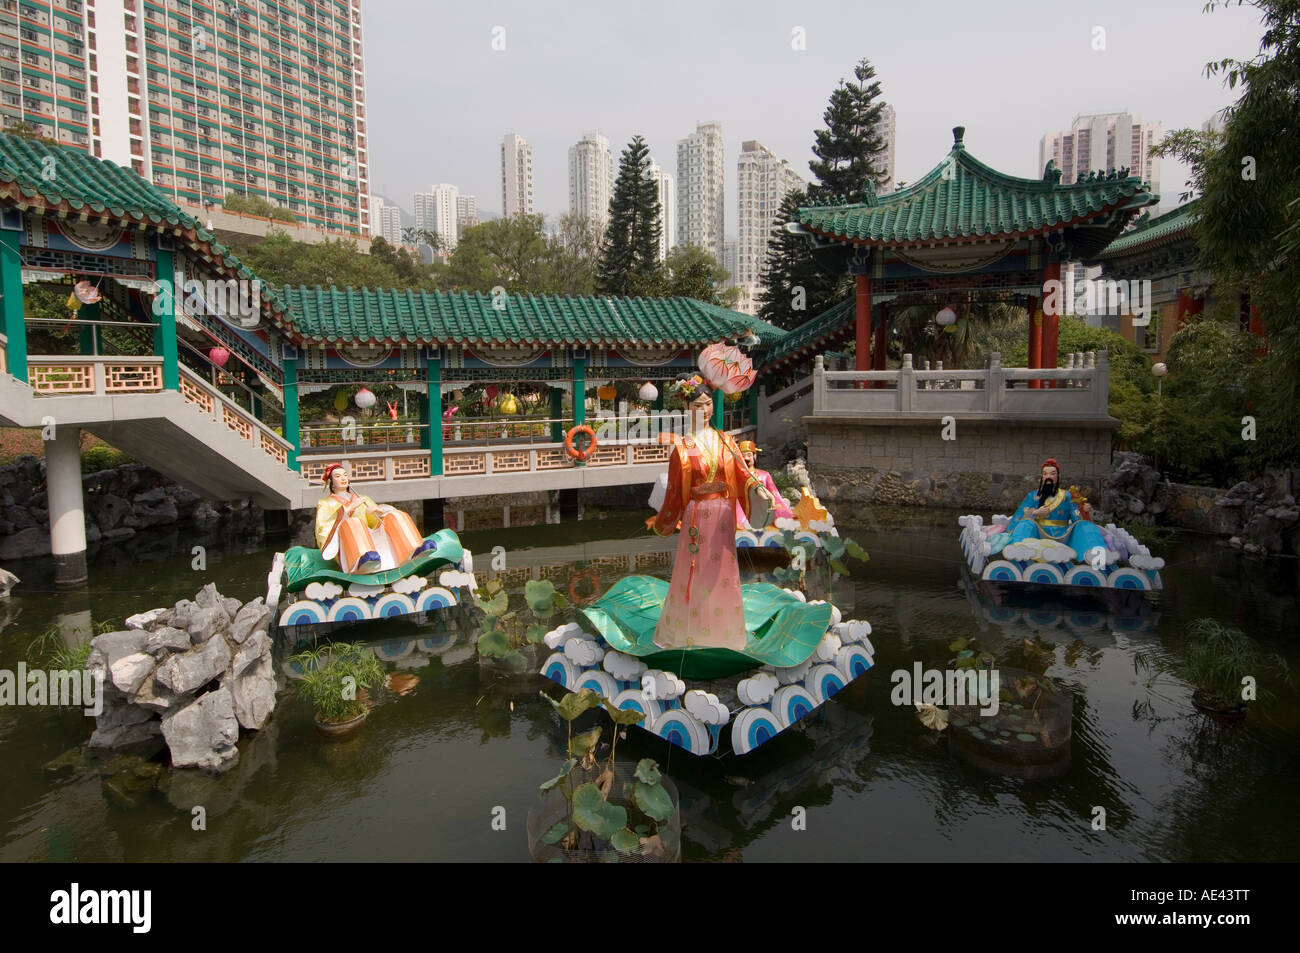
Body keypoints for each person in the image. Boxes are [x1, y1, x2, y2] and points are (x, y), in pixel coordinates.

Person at [650, 383, 774, 650]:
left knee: (722, 573)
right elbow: (674, 491)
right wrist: (664, 522)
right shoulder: (682, 448)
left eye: (708, 404)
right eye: (697, 406)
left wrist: (756, 489)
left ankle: (725, 635)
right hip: (697, 515)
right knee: (695, 570)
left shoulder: (726, 441)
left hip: (723, 514)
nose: (704, 410)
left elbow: (742, 474)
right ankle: (690, 633)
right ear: (686, 407)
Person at [314, 463, 434, 574]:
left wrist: (375, 512)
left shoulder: (361, 497)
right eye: (338, 476)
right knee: (353, 522)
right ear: (331, 482)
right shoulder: (325, 503)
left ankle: (413, 548)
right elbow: (324, 530)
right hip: (349, 545)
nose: (343, 478)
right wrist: (348, 509)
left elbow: (375, 521)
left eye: (345, 475)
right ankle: (361, 561)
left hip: (368, 538)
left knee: (393, 515)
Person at [995, 458, 1109, 568]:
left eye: (1052, 474)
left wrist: (1084, 512)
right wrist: (1035, 512)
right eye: (1045, 474)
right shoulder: (1033, 496)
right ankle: (1017, 553)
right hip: (1039, 533)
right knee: (1025, 524)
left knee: (1085, 525)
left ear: (1058, 476)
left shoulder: (1067, 496)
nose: (1048, 477)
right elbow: (1019, 515)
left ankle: (1098, 555)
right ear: (1042, 477)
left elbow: (1077, 518)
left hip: (1063, 533)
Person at [734, 440, 794, 529]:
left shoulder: (764, 475)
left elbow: (775, 494)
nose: (746, 458)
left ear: (755, 456)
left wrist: (775, 504)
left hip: (763, 509)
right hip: (742, 509)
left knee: (782, 514)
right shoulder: (735, 476)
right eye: (743, 456)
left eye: (749, 455)